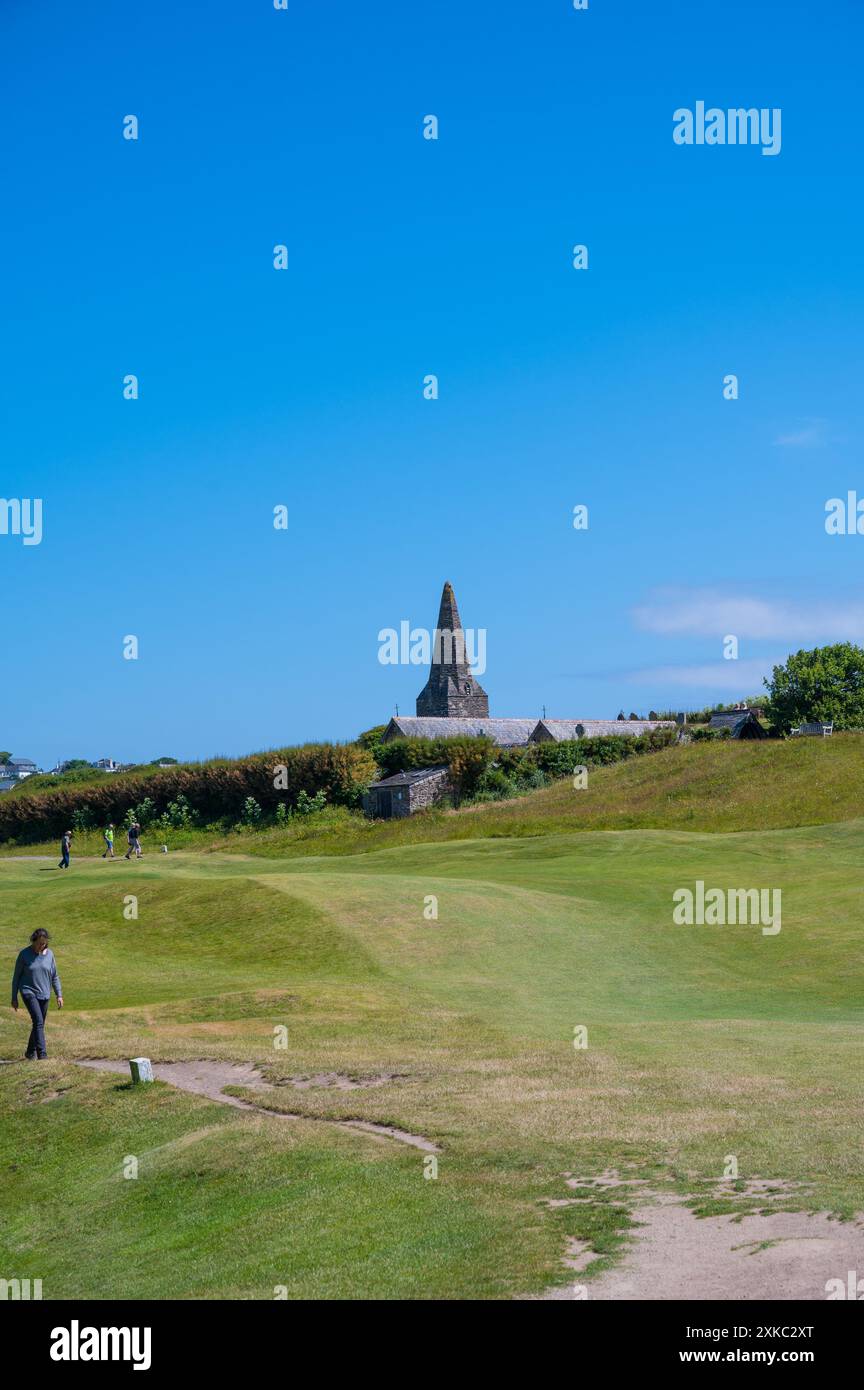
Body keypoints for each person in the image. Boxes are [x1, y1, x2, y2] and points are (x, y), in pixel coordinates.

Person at [11, 929, 64, 1060]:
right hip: (28, 991)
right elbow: (16, 977)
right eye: (40, 943)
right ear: (33, 941)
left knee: (38, 1023)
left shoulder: (50, 954)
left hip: (45, 993)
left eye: (45, 943)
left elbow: (54, 976)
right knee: (38, 1021)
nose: (42, 946)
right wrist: (14, 997)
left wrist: (59, 995)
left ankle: (30, 1052)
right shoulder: (24, 954)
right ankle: (42, 1055)